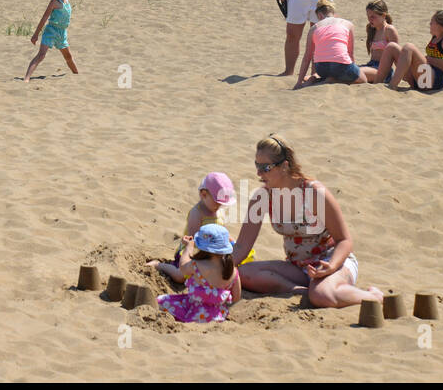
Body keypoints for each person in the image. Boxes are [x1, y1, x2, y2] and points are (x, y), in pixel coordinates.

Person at [233, 134, 384, 309]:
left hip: (331, 261)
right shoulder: (262, 196)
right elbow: (242, 247)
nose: (259, 173)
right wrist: (216, 270)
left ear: (284, 166)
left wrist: (331, 266)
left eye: (265, 167)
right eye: (257, 165)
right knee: (242, 274)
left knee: (322, 296)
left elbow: (345, 240)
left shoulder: (314, 193)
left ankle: (373, 296)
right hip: (298, 267)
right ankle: (298, 290)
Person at [148, 224, 241, 323]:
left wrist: (189, 247)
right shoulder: (233, 271)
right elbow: (236, 297)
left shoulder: (197, 265)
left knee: (161, 300)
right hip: (218, 316)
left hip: (194, 312)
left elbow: (183, 267)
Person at [169, 172, 256, 267]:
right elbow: (193, 240)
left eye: (222, 203)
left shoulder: (218, 210)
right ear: (204, 194)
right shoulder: (197, 213)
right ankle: (160, 265)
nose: (219, 206)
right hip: (194, 253)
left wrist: (232, 242)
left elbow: (222, 231)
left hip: (213, 252)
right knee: (182, 275)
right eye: (217, 202)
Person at [295, 0, 367, 87]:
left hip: (321, 68)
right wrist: (353, 70)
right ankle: (333, 80)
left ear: (320, 15)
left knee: (330, 71)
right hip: (341, 64)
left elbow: (307, 57)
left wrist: (299, 82)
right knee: (363, 79)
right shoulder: (348, 24)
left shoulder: (313, 28)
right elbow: (350, 53)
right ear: (333, 13)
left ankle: (315, 79)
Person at [25, 0, 78, 82]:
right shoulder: (54, 2)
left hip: (62, 33)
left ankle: (76, 74)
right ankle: (26, 78)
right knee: (41, 55)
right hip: (51, 31)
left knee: (68, 56)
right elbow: (44, 18)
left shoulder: (66, 0)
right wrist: (35, 35)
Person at [362, 0, 399, 81]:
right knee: (347, 71)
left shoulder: (389, 30)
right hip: (371, 65)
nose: (369, 19)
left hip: (384, 71)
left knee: (357, 73)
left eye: (373, 17)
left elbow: (397, 57)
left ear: (383, 15)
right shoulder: (371, 29)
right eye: (368, 16)